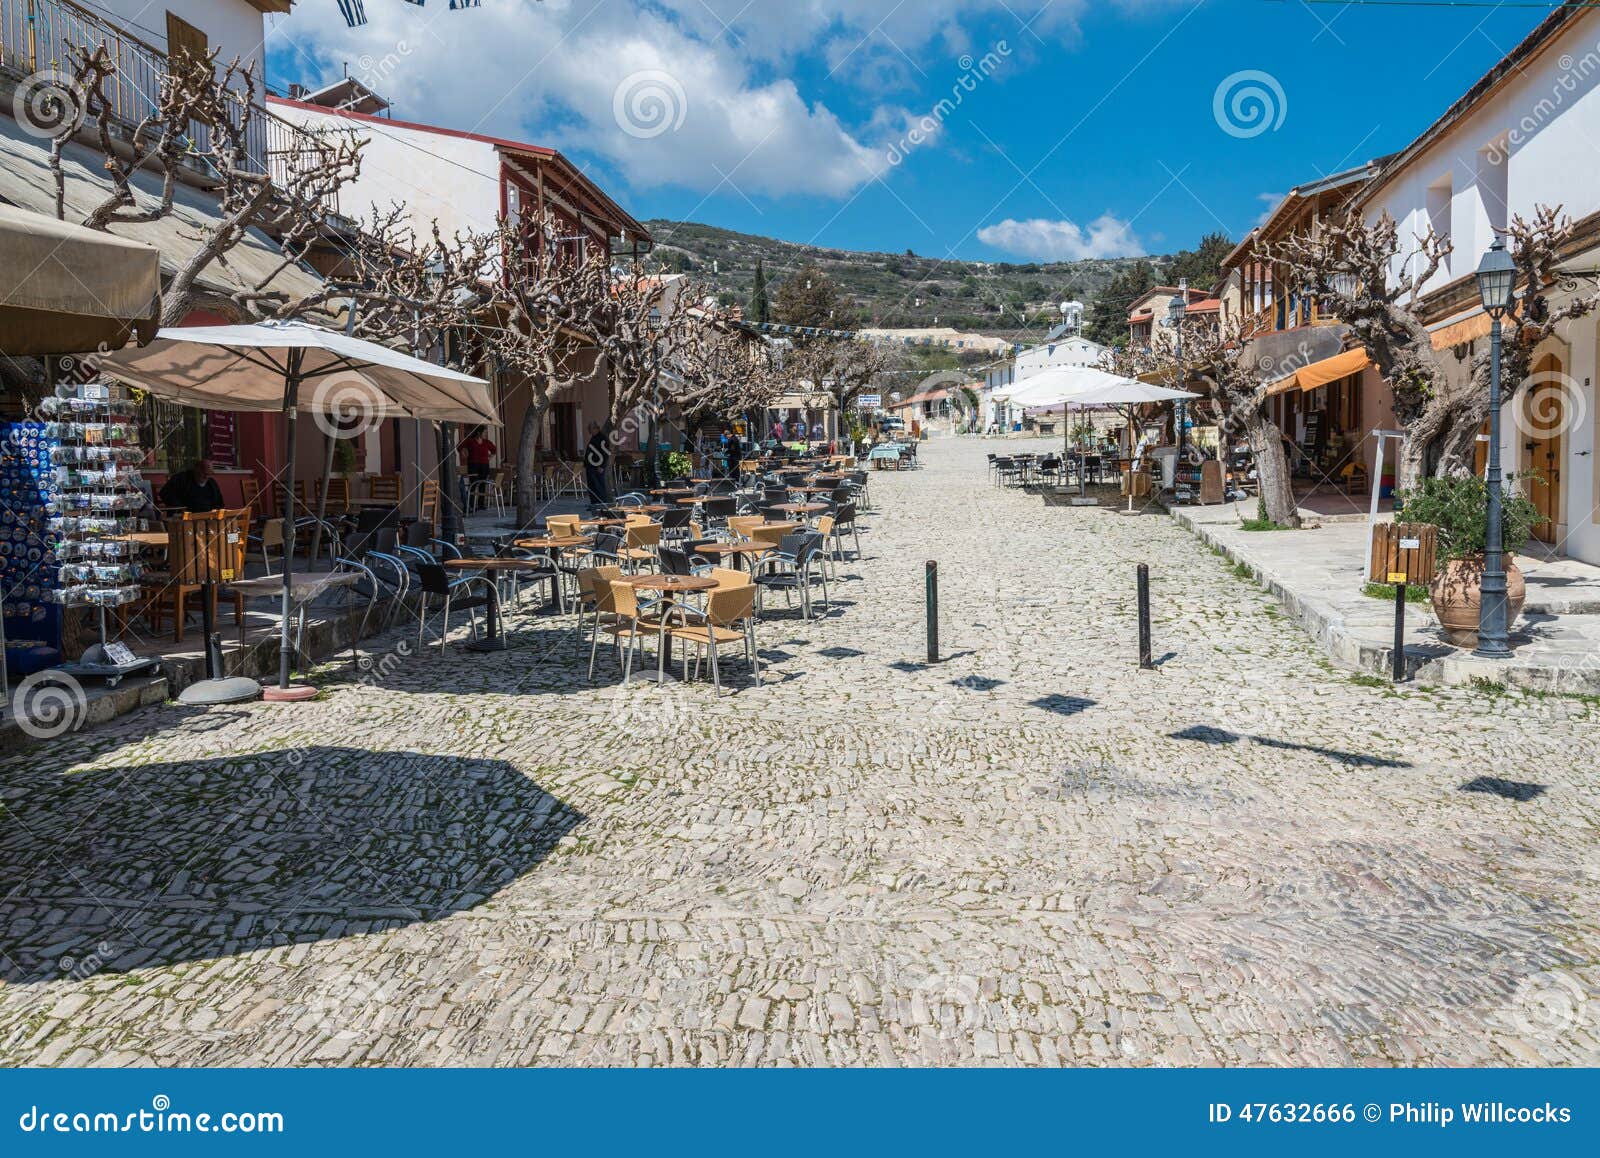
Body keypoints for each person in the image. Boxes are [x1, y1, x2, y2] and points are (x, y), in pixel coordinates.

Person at [159, 458, 224, 513]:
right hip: (186, 517)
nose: (206, 477)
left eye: (209, 474)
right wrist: (180, 508)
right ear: (196, 469)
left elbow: (219, 502)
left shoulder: (211, 483)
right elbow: (164, 493)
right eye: (204, 473)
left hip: (208, 517)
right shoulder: (180, 479)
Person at [584, 420, 613, 507]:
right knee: (592, 486)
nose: (589, 431)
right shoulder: (594, 437)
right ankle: (594, 503)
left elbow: (605, 453)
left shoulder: (602, 438)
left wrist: (602, 466)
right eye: (589, 429)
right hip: (591, 467)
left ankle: (601, 503)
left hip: (597, 467)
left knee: (599, 486)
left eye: (590, 429)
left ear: (596, 429)